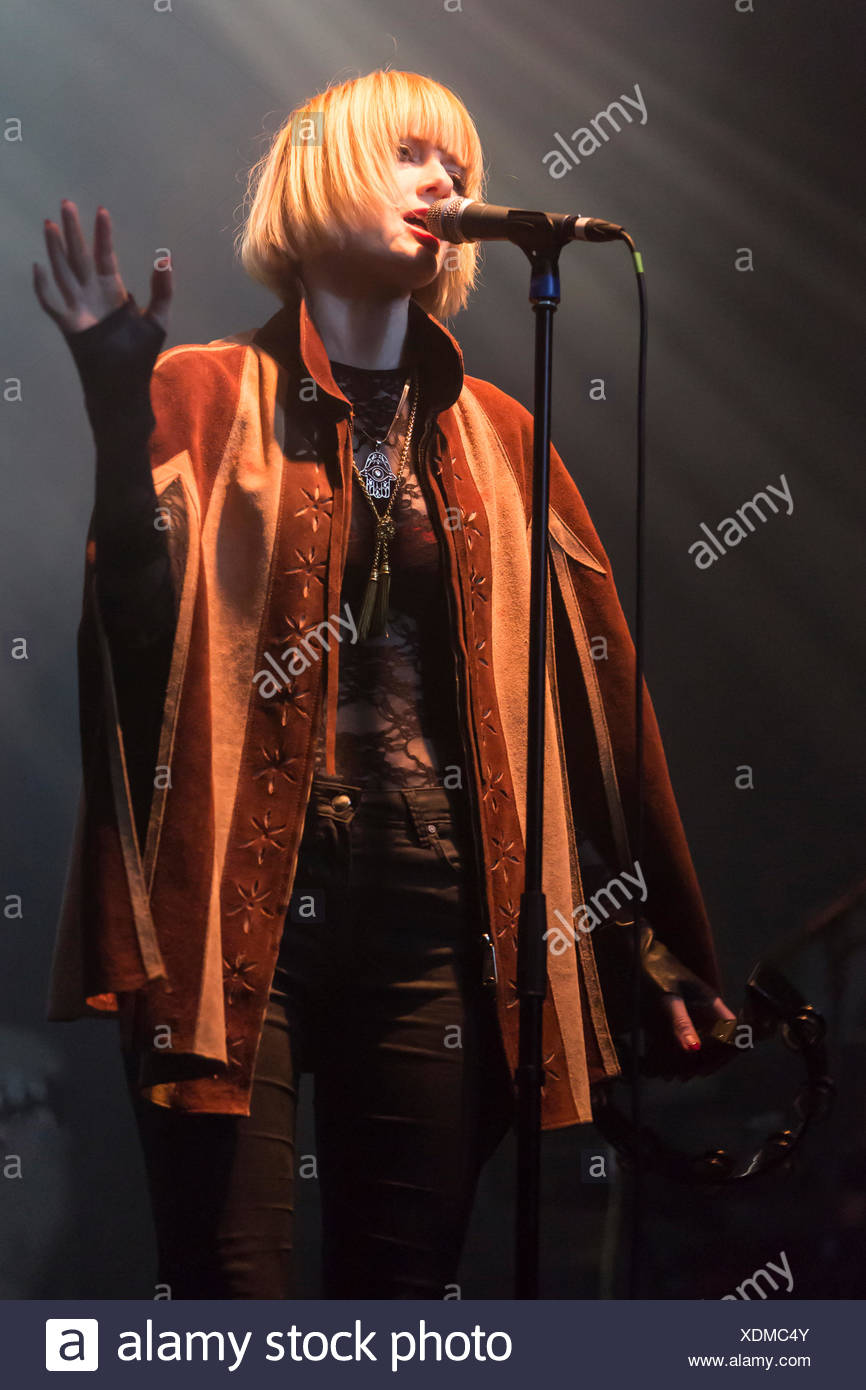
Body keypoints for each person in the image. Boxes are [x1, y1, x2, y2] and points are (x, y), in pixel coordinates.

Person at [37, 68, 734, 1299]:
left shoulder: (505, 438)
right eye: (411, 154)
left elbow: (593, 707)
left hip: (441, 926)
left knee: (398, 1313)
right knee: (225, 1303)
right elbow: (131, 640)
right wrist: (112, 414)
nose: (447, 183)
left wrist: (644, 938)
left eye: (458, 165)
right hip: (237, 909)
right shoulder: (198, 391)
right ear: (320, 173)